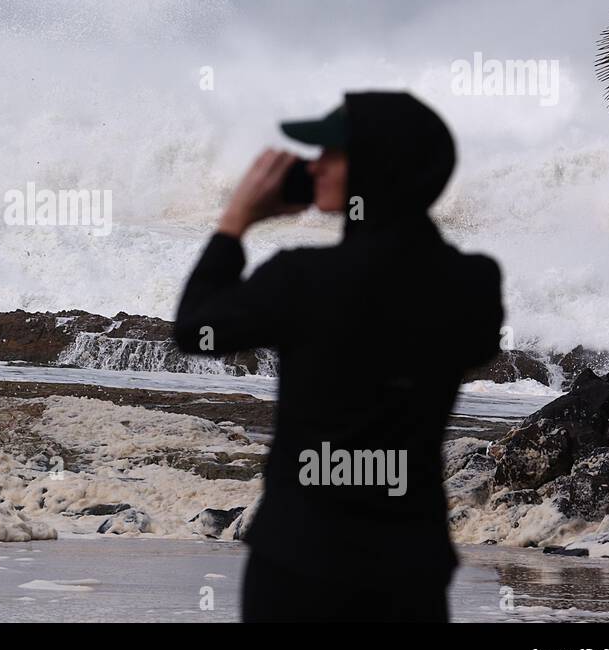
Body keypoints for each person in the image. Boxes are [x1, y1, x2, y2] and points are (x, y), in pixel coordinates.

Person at [173, 91, 504, 623]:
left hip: (298, 564)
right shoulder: (472, 285)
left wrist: (236, 220)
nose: (314, 164)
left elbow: (195, 328)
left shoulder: (299, 278)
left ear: (372, 169)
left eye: (330, 154)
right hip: (409, 568)